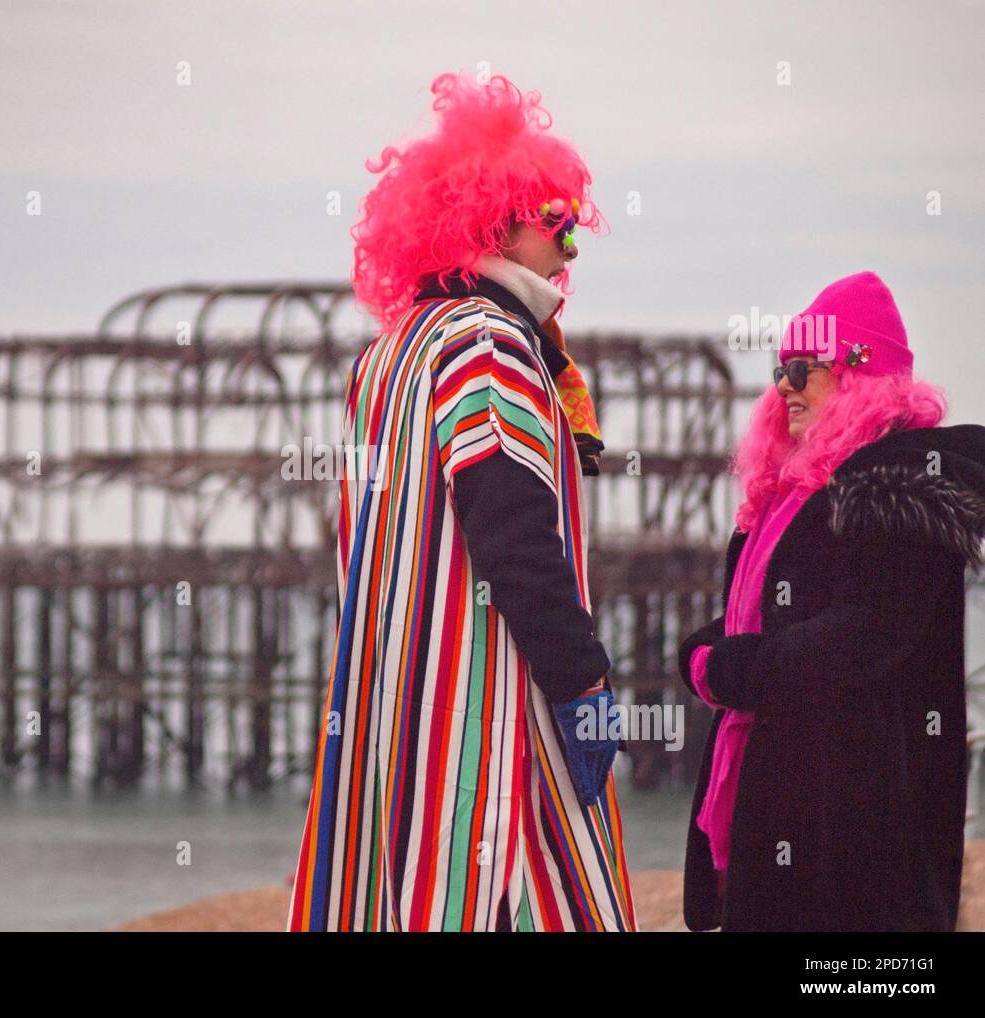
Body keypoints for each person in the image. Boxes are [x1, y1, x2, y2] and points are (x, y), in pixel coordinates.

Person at [287, 70, 635, 932]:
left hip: (395, 698)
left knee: (398, 887)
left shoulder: (393, 349)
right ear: (495, 223)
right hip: (483, 703)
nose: (571, 249)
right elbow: (511, 529)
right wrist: (580, 678)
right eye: (556, 223)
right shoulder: (488, 342)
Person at [677, 270, 985, 931]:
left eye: (803, 368)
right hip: (786, 800)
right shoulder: (797, 493)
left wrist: (725, 669)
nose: (783, 384)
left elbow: (858, 637)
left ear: (857, 377)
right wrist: (703, 647)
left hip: (853, 830)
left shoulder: (892, 488)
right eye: (781, 367)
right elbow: (775, 615)